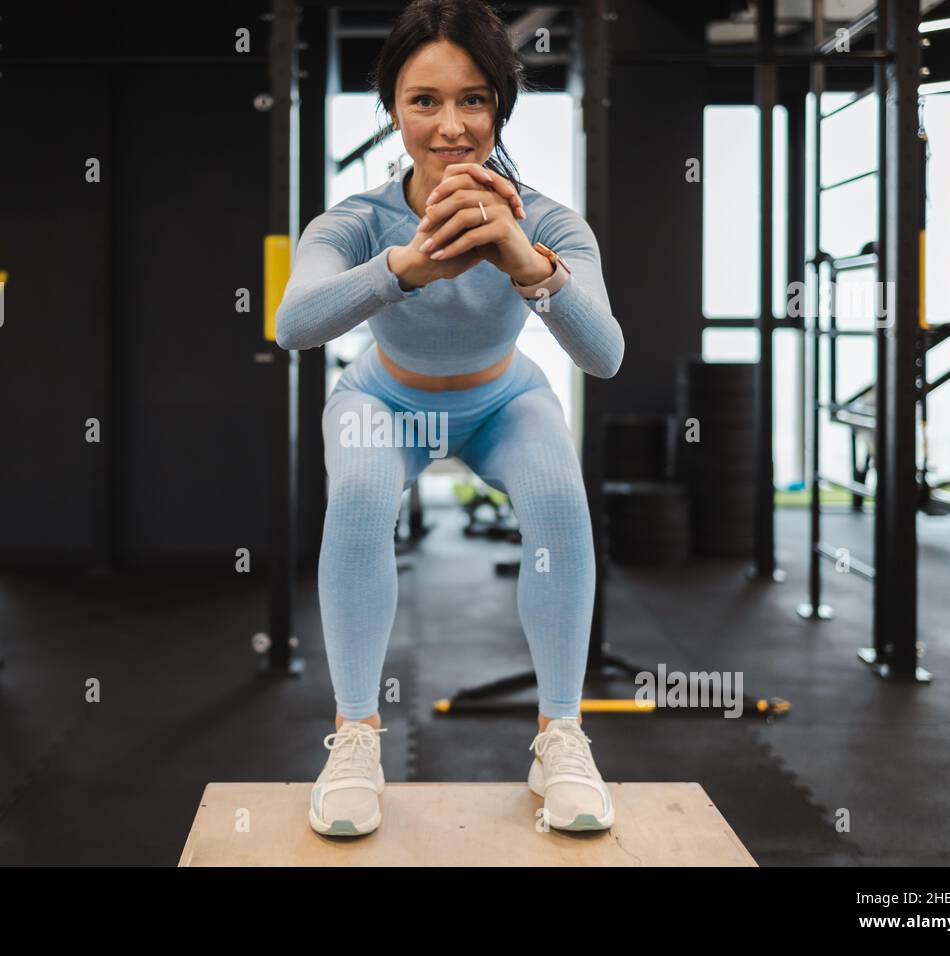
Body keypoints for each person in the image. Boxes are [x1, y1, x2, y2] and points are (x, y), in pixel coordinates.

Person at [274, 0, 625, 837]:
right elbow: (292, 325)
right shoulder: (357, 222)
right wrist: (403, 267)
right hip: (382, 398)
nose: (451, 125)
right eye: (423, 100)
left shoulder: (547, 221)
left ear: (499, 105)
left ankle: (560, 736)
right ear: (394, 109)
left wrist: (524, 260)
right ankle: (355, 735)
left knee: (559, 503)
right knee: (357, 500)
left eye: (473, 100)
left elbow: (603, 355)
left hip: (503, 397)